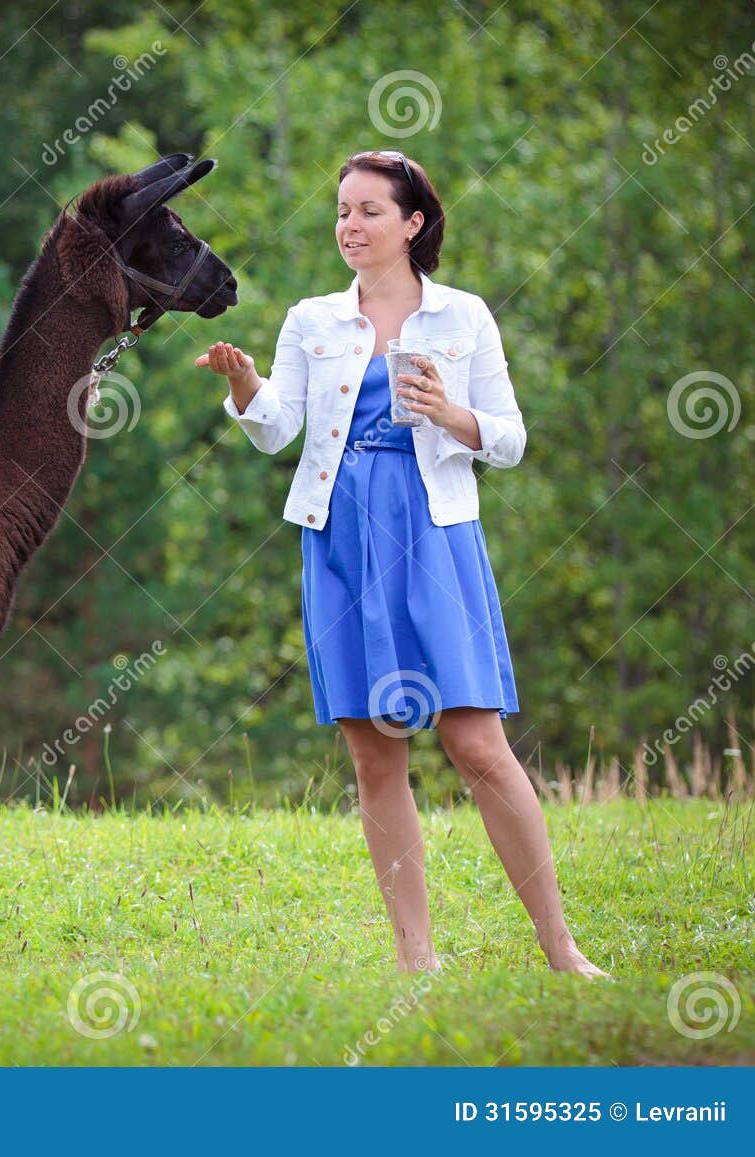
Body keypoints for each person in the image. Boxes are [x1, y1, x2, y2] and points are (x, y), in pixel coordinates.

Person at [195, 150, 606, 977]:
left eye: (369, 211)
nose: (349, 225)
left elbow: (510, 439)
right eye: (342, 211)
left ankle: (560, 947)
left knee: (476, 742)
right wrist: (244, 384)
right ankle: (416, 958)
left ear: (413, 223)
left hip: (434, 533)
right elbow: (277, 429)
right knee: (374, 750)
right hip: (340, 538)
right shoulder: (312, 318)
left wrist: (451, 413)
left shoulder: (463, 317)